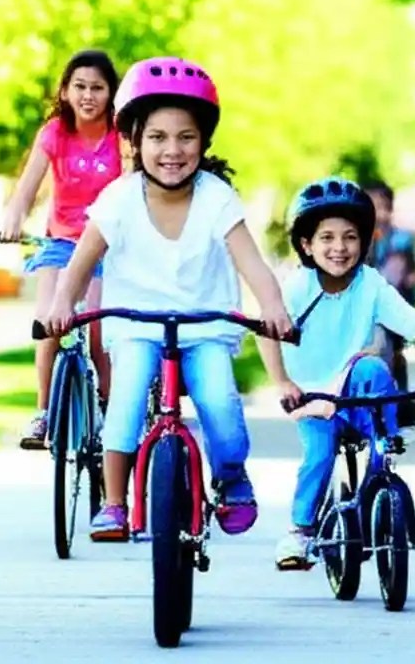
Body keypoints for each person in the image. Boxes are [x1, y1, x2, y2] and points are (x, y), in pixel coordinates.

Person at [40, 56, 294, 541]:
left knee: (219, 400)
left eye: (186, 137)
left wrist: (274, 308)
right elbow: (79, 262)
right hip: (135, 324)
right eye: (157, 137)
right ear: (134, 140)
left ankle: (231, 476)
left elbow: (253, 265)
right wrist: (61, 305)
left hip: (203, 327)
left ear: (204, 142)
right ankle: (115, 502)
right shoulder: (118, 197)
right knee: (128, 395)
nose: (171, 150)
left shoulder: (217, 197)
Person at [254, 176, 415, 569]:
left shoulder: (371, 284)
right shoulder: (297, 287)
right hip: (314, 399)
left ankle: (382, 456)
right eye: (327, 238)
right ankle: (299, 532)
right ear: (306, 244)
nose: (339, 248)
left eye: (350, 237)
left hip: (356, 393)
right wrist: (282, 382)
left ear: (366, 241)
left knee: (373, 366)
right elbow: (266, 333)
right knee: (319, 456)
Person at [0, 50, 122, 449]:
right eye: (80, 87)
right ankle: (43, 412)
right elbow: (28, 184)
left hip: (106, 246)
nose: (88, 96)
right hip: (60, 243)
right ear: (66, 91)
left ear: (111, 93)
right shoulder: (54, 132)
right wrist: (14, 216)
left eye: (98, 88)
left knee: (98, 325)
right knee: (47, 319)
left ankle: (111, 411)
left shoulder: (121, 134)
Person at [362, 179, 415, 428]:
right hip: (363, 306)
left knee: (394, 354)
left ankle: (401, 402)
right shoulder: (356, 237)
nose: (378, 212)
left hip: (394, 303)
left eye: (382, 205)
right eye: (372, 205)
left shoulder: (401, 239)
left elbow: (409, 276)